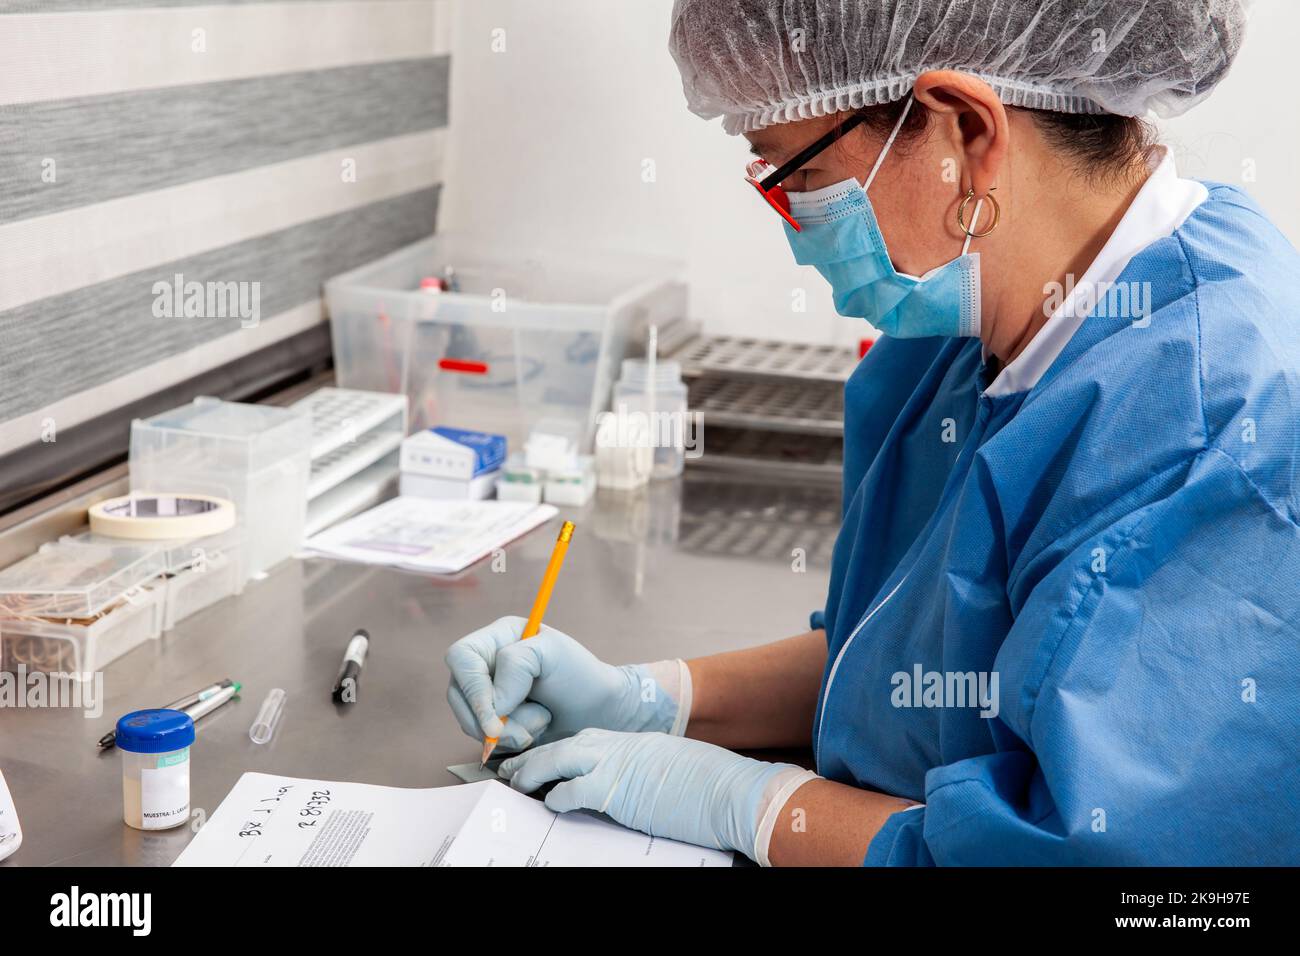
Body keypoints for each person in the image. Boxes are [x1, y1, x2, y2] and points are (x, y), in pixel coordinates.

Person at [446, 0, 1300, 865]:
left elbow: (1122, 873)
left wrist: (758, 805)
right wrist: (659, 698)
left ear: (964, 130)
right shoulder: (974, 331)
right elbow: (920, 658)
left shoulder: (1211, 429)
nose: (791, 228)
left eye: (793, 173)